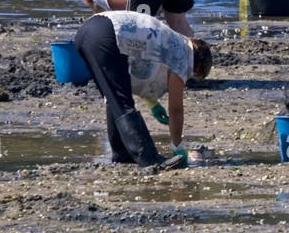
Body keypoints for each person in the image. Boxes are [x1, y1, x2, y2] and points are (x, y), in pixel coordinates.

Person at [73, 10, 212, 167]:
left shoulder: (170, 39)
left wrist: (152, 102)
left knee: (113, 97)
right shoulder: (183, 55)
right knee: (122, 102)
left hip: (87, 31)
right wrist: (178, 147)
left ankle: (122, 154)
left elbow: (137, 75)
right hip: (108, 33)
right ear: (196, 66)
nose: (186, 79)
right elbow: (176, 110)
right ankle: (149, 158)